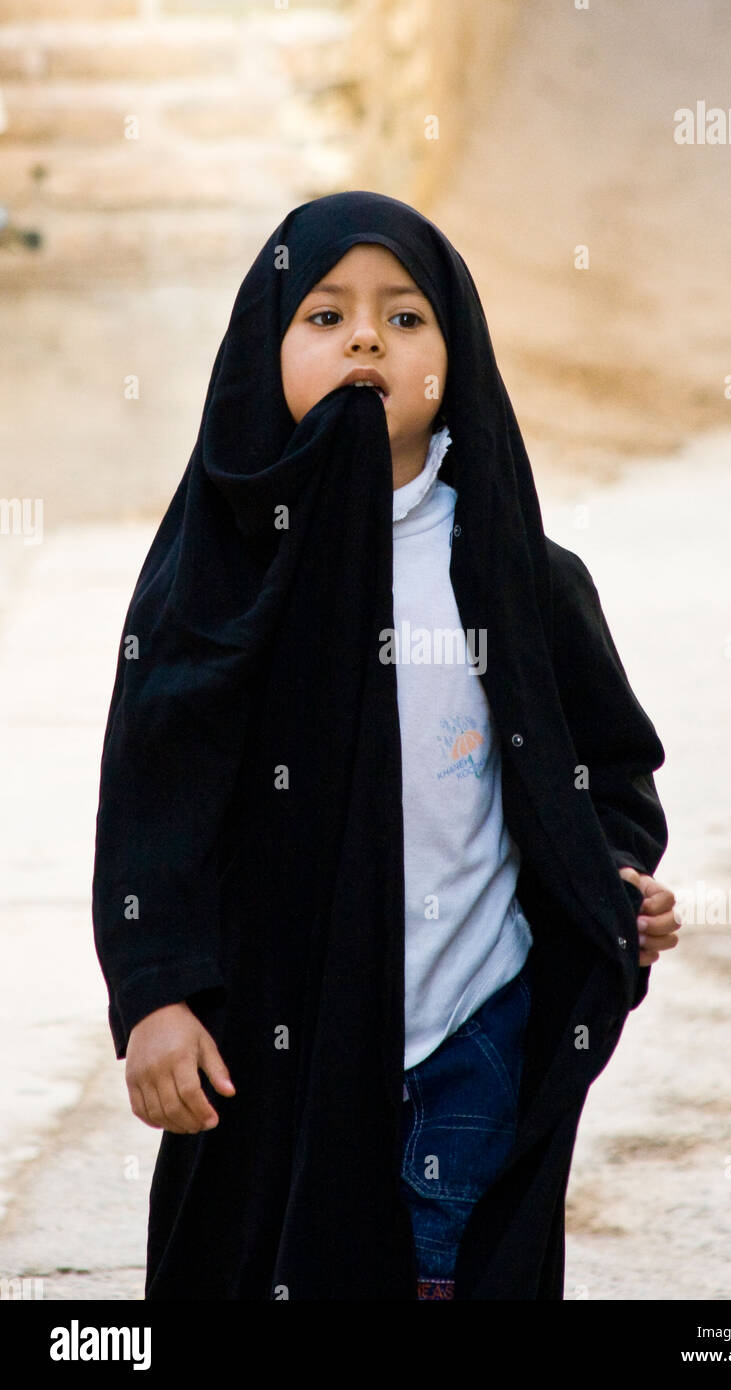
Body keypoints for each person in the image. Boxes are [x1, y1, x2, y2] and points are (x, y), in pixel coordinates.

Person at [91, 190, 678, 1302]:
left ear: (457, 354)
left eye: (405, 317)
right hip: (270, 1042)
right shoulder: (212, 585)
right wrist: (156, 995)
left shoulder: (524, 580)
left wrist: (611, 872)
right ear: (257, 358)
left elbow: (603, 767)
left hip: (474, 1021)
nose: (366, 336)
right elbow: (151, 807)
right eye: (324, 315)